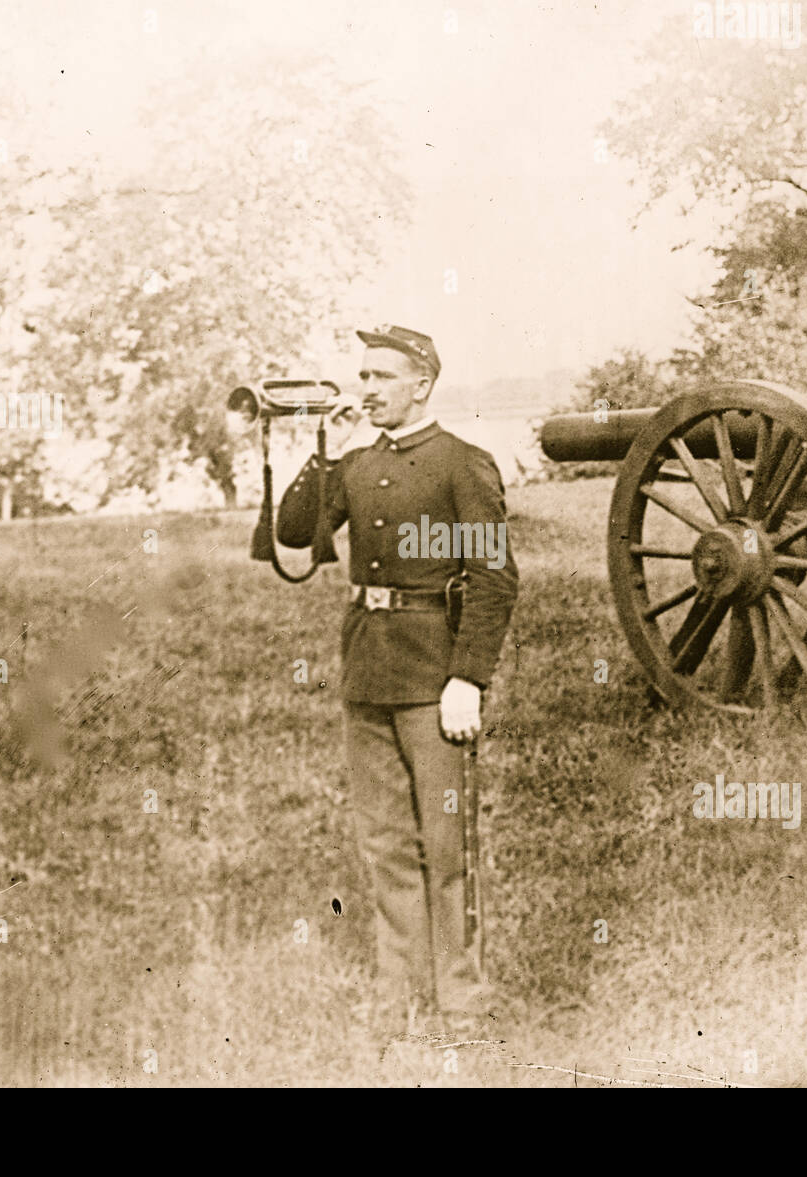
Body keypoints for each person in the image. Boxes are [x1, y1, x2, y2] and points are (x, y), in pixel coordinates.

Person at [277, 324, 519, 1040]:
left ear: (422, 384)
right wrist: (324, 450)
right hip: (369, 673)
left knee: (446, 844)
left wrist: (467, 677)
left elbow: (494, 580)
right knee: (384, 844)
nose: (367, 387)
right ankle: (398, 995)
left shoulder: (461, 463)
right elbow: (293, 537)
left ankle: (462, 997)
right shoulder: (355, 463)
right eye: (363, 375)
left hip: (433, 676)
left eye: (382, 376)